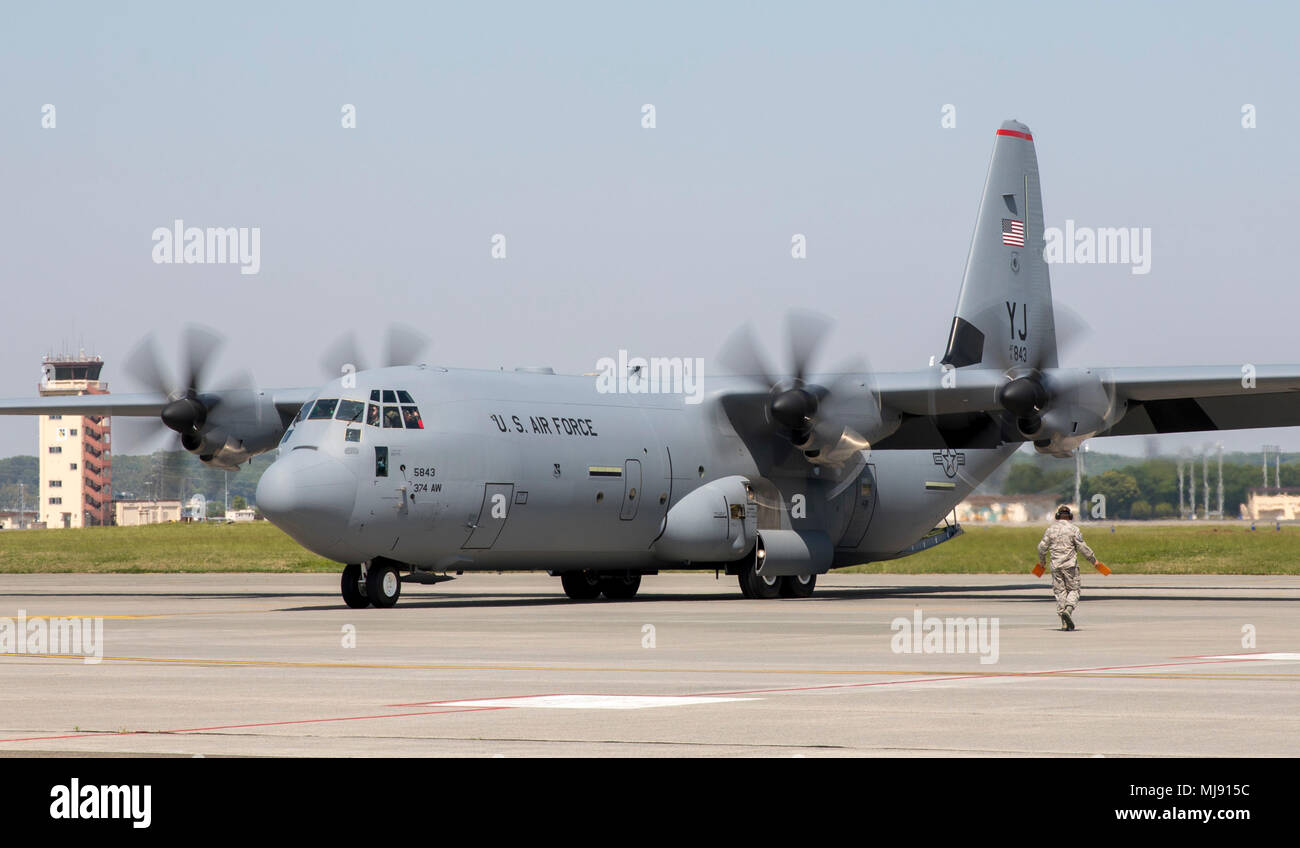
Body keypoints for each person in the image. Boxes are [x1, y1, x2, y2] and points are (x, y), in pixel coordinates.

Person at [1036, 505, 1098, 631]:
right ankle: (1068, 610)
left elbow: (1041, 548)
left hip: (1055, 566)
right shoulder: (1074, 529)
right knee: (1074, 590)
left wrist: (1042, 562)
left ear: (1057, 516)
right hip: (1070, 565)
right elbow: (1082, 547)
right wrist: (1094, 561)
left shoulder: (1050, 530)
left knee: (1060, 593)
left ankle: (1063, 621)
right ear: (1070, 517)